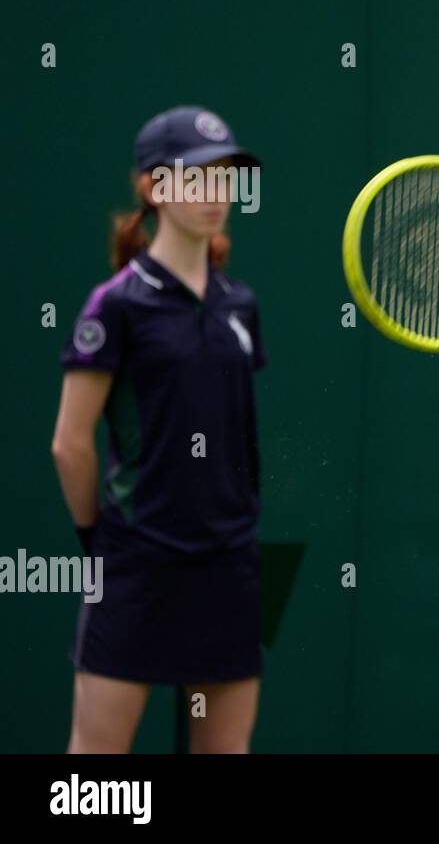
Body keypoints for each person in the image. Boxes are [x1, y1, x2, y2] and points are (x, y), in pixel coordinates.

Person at [50, 106, 267, 753]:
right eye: (195, 178)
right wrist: (102, 542)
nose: (215, 194)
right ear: (154, 189)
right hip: (137, 565)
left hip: (229, 565)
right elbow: (70, 443)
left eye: (224, 177)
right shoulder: (115, 305)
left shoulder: (240, 305)